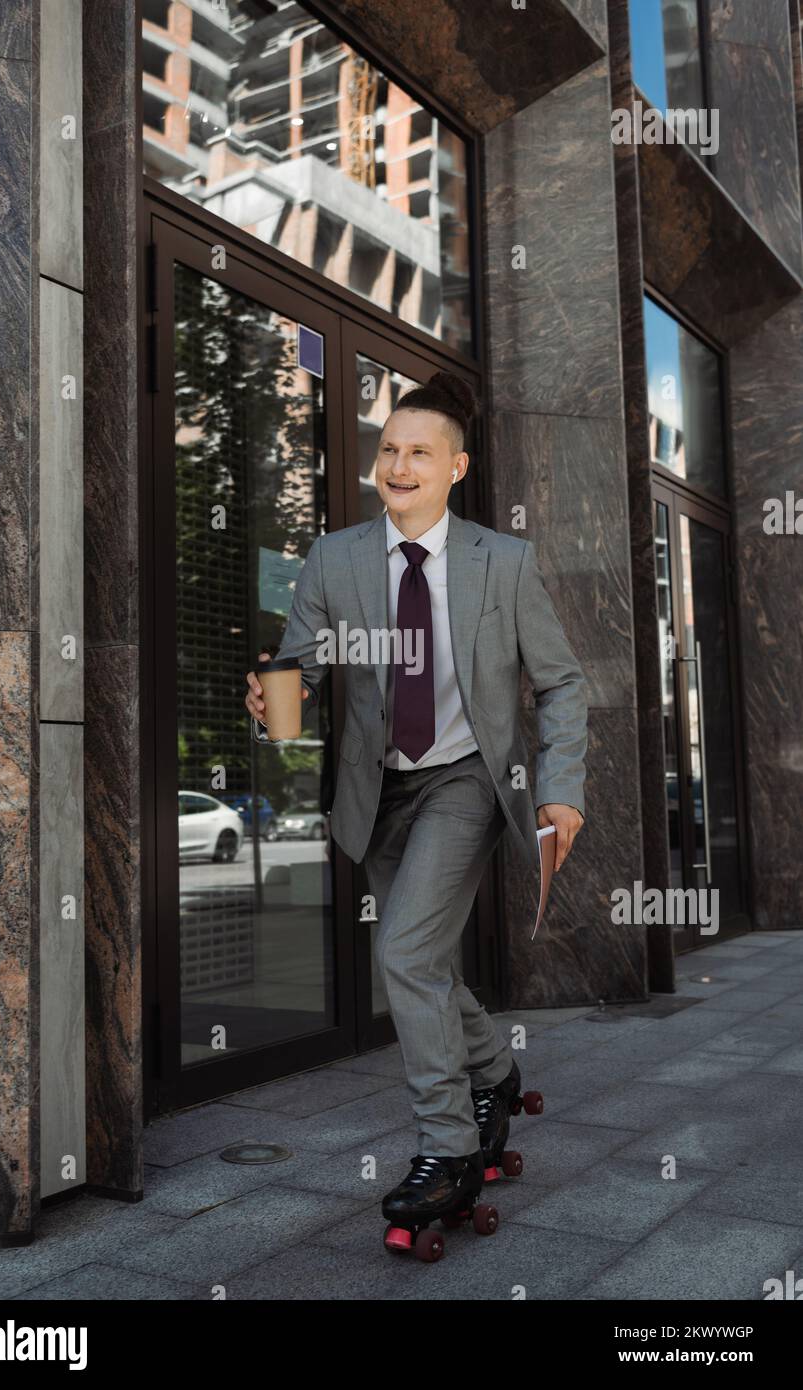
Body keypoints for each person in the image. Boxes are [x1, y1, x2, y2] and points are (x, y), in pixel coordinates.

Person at [245, 370, 587, 1246]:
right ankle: (493, 1072)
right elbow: (304, 667)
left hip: (467, 777)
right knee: (423, 963)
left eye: (418, 452)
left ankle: (447, 1148)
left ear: (455, 467)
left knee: (402, 951)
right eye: (388, 449)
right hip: (377, 785)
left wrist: (560, 786)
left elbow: (559, 681)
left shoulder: (499, 562)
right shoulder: (334, 559)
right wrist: (277, 695)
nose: (398, 464)